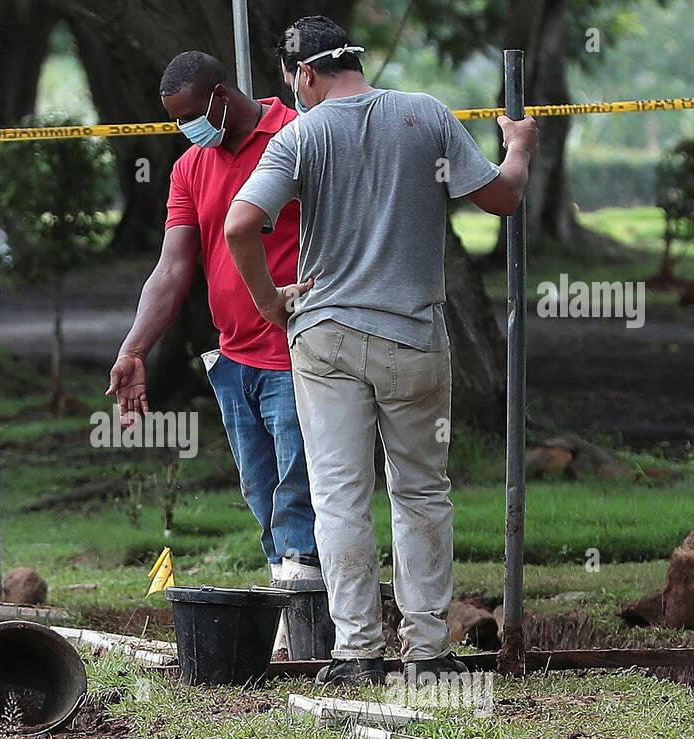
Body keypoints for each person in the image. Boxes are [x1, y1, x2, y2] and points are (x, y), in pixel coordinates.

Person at [224, 15, 538, 686]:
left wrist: (269, 302)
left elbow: (240, 225)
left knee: (339, 496)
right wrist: (520, 144)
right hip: (414, 340)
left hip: (327, 336)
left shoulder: (299, 135)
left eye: (292, 83)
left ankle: (357, 653)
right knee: (422, 492)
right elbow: (504, 198)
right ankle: (427, 652)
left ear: (305, 74)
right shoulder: (426, 116)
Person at [107, 51, 321, 611]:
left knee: (298, 495)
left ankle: (314, 627)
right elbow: (173, 268)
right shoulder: (191, 166)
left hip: (299, 352)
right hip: (235, 361)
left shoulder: (298, 136)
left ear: (223, 99)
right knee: (259, 492)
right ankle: (294, 612)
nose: (187, 131)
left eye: (192, 116)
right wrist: (135, 349)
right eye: (177, 121)